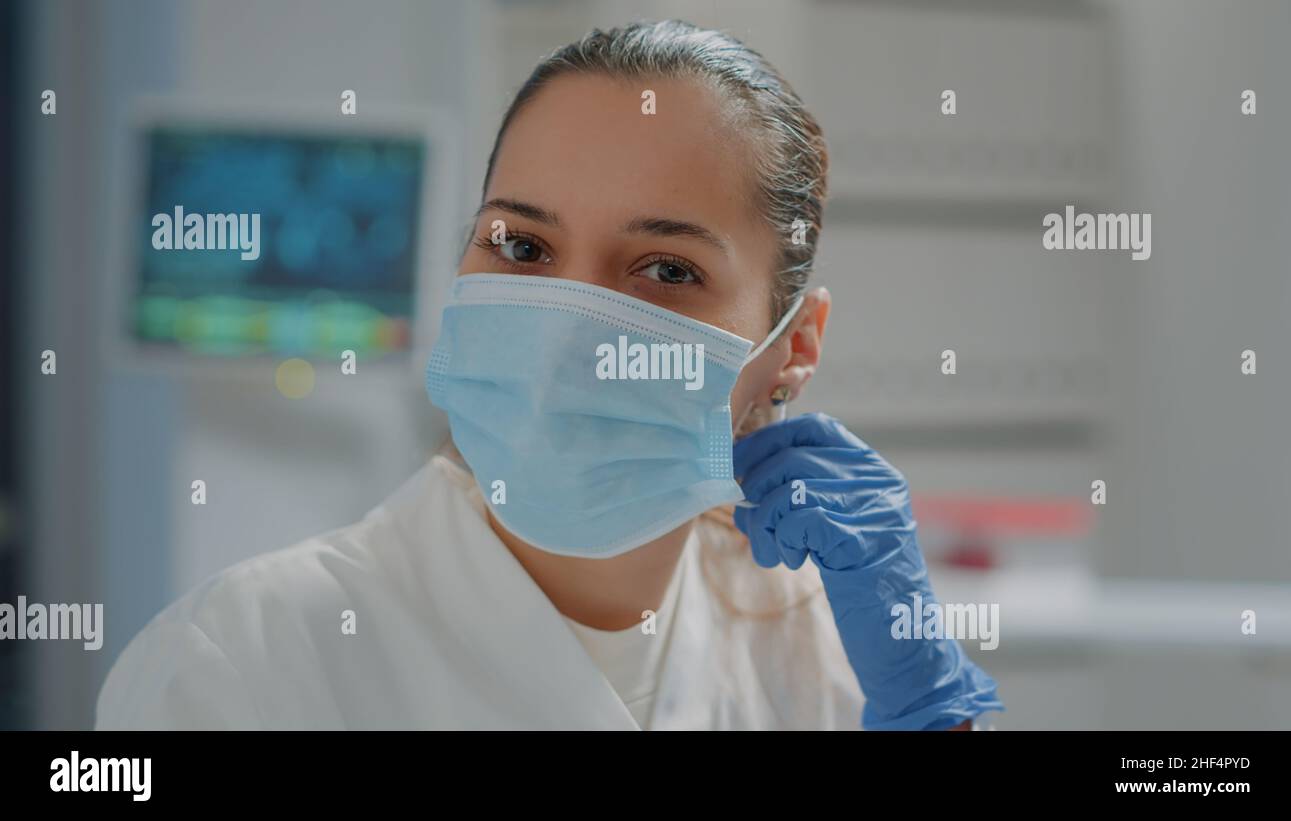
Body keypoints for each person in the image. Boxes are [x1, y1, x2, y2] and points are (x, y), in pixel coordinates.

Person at [97, 19, 1003, 730]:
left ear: (794, 345)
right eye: (522, 245)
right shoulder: (241, 661)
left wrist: (930, 710)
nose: (569, 328)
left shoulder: (823, 645)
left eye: (666, 268)